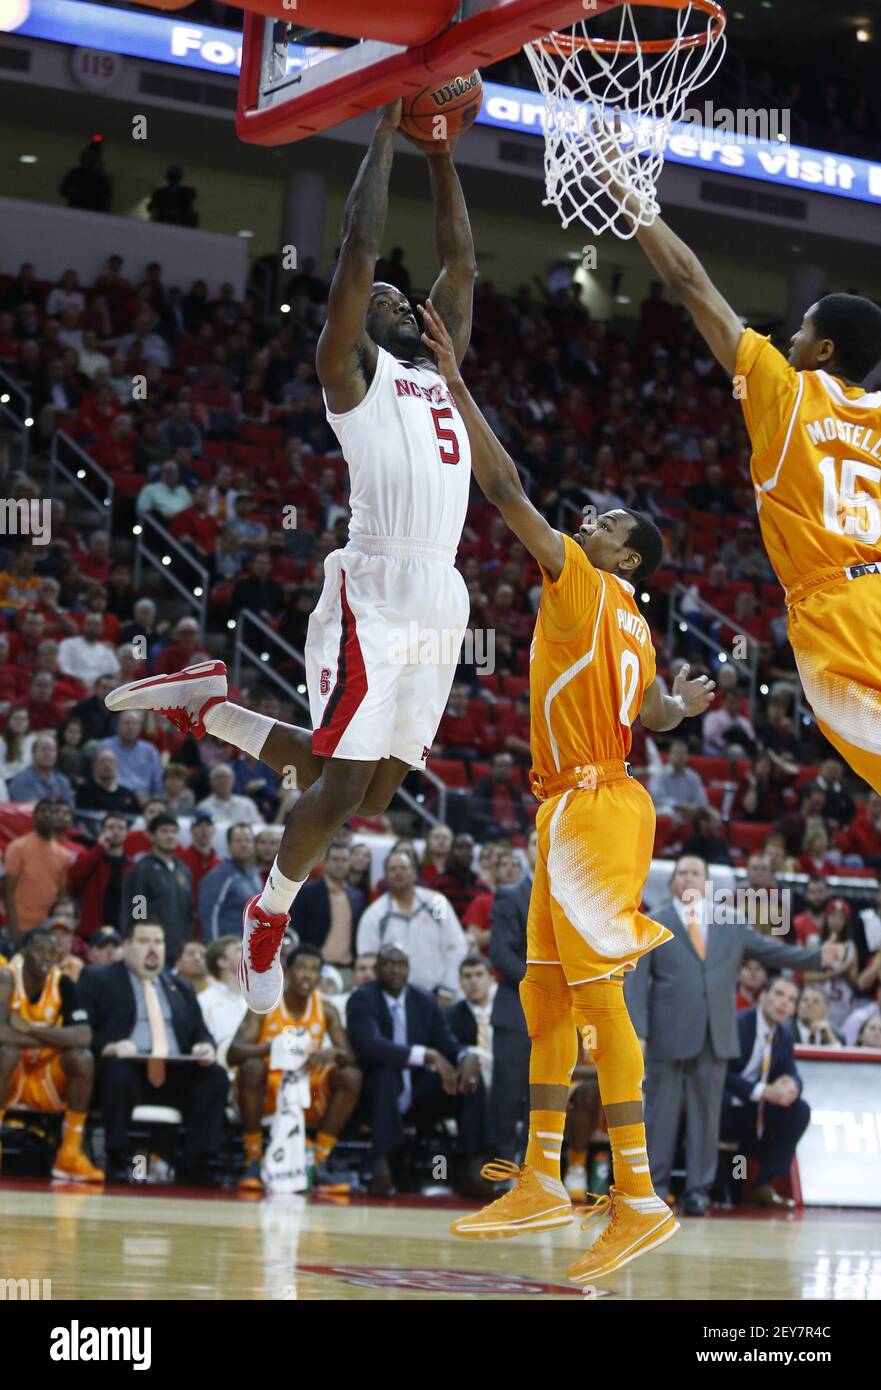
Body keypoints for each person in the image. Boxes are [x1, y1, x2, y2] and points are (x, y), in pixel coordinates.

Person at [104, 97, 477, 1017]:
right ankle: (268, 916)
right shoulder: (348, 375)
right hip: (377, 585)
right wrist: (386, 136)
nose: (393, 294)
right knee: (341, 780)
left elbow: (462, 265)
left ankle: (209, 709)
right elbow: (356, 249)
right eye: (381, 298)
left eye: (403, 295)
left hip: (442, 594)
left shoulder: (441, 374)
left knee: (375, 792)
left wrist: (440, 150)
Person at [417, 296, 713, 1281]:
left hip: (594, 805)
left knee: (596, 1006)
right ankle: (542, 1174)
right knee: (544, 1003)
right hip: (572, 805)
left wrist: (454, 385)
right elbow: (656, 721)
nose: (587, 518)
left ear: (623, 557)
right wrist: (680, 703)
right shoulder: (632, 623)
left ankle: (634, 1193)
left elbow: (503, 489)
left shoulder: (583, 583)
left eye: (609, 520)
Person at [607, 159, 881, 797]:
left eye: (803, 329)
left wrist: (628, 193)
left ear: (824, 352)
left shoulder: (786, 393)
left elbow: (689, 282)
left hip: (832, 610)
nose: (790, 335)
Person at [626, 854, 841, 1217]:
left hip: (716, 1033)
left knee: (706, 1118)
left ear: (707, 882)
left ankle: (698, 1191)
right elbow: (636, 985)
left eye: (696, 871)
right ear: (673, 882)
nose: (689, 877)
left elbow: (775, 951)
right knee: (659, 1117)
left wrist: (819, 958)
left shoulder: (731, 923)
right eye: (683, 872)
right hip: (667, 1034)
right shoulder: (651, 922)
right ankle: (655, 1190)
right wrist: (639, 1033)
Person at [78, 919, 227, 1184]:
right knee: (117, 1071)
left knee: (214, 1077)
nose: (152, 948)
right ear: (127, 946)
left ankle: (196, 1163)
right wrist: (108, 1047)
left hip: (175, 1072)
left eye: (158, 942)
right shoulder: (99, 978)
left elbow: (200, 1031)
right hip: (129, 1070)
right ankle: (118, 1156)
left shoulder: (180, 986)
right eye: (144, 941)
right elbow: (82, 1031)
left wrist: (205, 1046)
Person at [346, 943, 488, 1198]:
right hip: (375, 1095)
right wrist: (427, 1055)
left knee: (471, 1080)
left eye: (401, 965)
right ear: (377, 969)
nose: (395, 970)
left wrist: (466, 1056)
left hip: (419, 1091)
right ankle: (382, 1165)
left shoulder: (423, 1000)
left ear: (409, 969)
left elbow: (447, 1042)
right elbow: (370, 1046)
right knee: (384, 1074)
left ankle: (474, 1168)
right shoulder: (362, 998)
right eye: (389, 964)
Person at [229, 944, 362, 1191]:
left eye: (314, 970)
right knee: (251, 1068)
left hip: (306, 1093)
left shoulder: (327, 1009)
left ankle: (318, 1161)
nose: (307, 975)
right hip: (267, 1091)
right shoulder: (265, 1004)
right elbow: (233, 1053)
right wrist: (275, 1048)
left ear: (320, 978)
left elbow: (350, 1057)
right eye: (301, 968)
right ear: (287, 972)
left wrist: (332, 1054)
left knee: (351, 1076)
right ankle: (253, 1159)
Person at [0, 927, 103, 1180]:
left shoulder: (62, 981)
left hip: (43, 1076)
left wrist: (30, 1028)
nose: (46, 957)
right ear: (24, 953)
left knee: (82, 1059)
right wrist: (52, 1038)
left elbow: (83, 1037)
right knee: (7, 1052)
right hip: (9, 1074)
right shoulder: (6, 978)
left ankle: (69, 1153)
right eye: (39, 951)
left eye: (52, 951)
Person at [720, 977, 810, 1209]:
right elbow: (721, 1074)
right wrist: (763, 1091)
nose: (784, 1003)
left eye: (791, 1000)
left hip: (757, 1115)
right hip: (728, 1109)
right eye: (779, 994)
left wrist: (792, 1087)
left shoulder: (785, 1036)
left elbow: (793, 1073)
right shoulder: (738, 1023)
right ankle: (729, 1191)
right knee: (738, 1163)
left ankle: (763, 1184)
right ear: (762, 996)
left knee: (800, 1110)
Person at [356, 848, 467, 1000]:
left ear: (414, 873)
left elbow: (457, 946)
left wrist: (447, 989)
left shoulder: (436, 903)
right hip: (393, 998)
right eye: (392, 869)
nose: (398, 873)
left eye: (403, 868)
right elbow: (368, 960)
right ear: (385, 877)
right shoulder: (374, 914)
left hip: (439, 993)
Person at [488, 831, 535, 1161]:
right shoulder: (509, 895)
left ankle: (538, 1172)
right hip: (515, 1010)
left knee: (544, 1100)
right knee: (507, 1094)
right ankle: (502, 1168)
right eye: (535, 842)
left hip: (556, 1012)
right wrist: (539, 983)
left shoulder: (571, 895)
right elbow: (500, 954)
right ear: (527, 852)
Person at [118, 814, 193, 959]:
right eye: (164, 831)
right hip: (152, 948)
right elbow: (137, 912)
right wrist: (140, 940)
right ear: (152, 836)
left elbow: (189, 910)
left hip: (179, 949)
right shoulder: (142, 869)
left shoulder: (183, 869)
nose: (170, 836)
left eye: (174, 831)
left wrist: (187, 939)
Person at [3, 800, 74, 943]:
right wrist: (13, 927)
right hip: (22, 925)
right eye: (42, 811)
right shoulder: (18, 847)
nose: (47, 815)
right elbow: (7, 890)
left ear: (57, 818)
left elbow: (61, 894)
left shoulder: (63, 854)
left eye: (52, 812)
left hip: (49, 927)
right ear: (34, 817)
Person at [289, 840, 365, 970]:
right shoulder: (308, 892)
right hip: (314, 966)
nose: (340, 864)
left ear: (350, 863)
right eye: (335, 859)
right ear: (326, 862)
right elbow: (295, 929)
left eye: (344, 860)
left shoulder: (357, 896)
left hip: (347, 968)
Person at [199, 824, 263, 943]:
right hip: (229, 947)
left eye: (248, 840)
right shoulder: (219, 875)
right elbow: (209, 916)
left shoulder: (254, 873)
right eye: (238, 841)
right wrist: (215, 950)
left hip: (252, 946)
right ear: (229, 846)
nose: (243, 844)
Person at [446, 954, 496, 1095]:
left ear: (492, 979)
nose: (473, 981)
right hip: (470, 1088)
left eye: (479, 975)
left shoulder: (509, 1012)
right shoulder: (450, 1016)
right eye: (467, 976)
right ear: (460, 982)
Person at [197, 935, 245, 1074]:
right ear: (223, 962)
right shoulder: (204, 1001)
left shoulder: (255, 1000)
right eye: (239, 950)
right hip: (218, 1073)